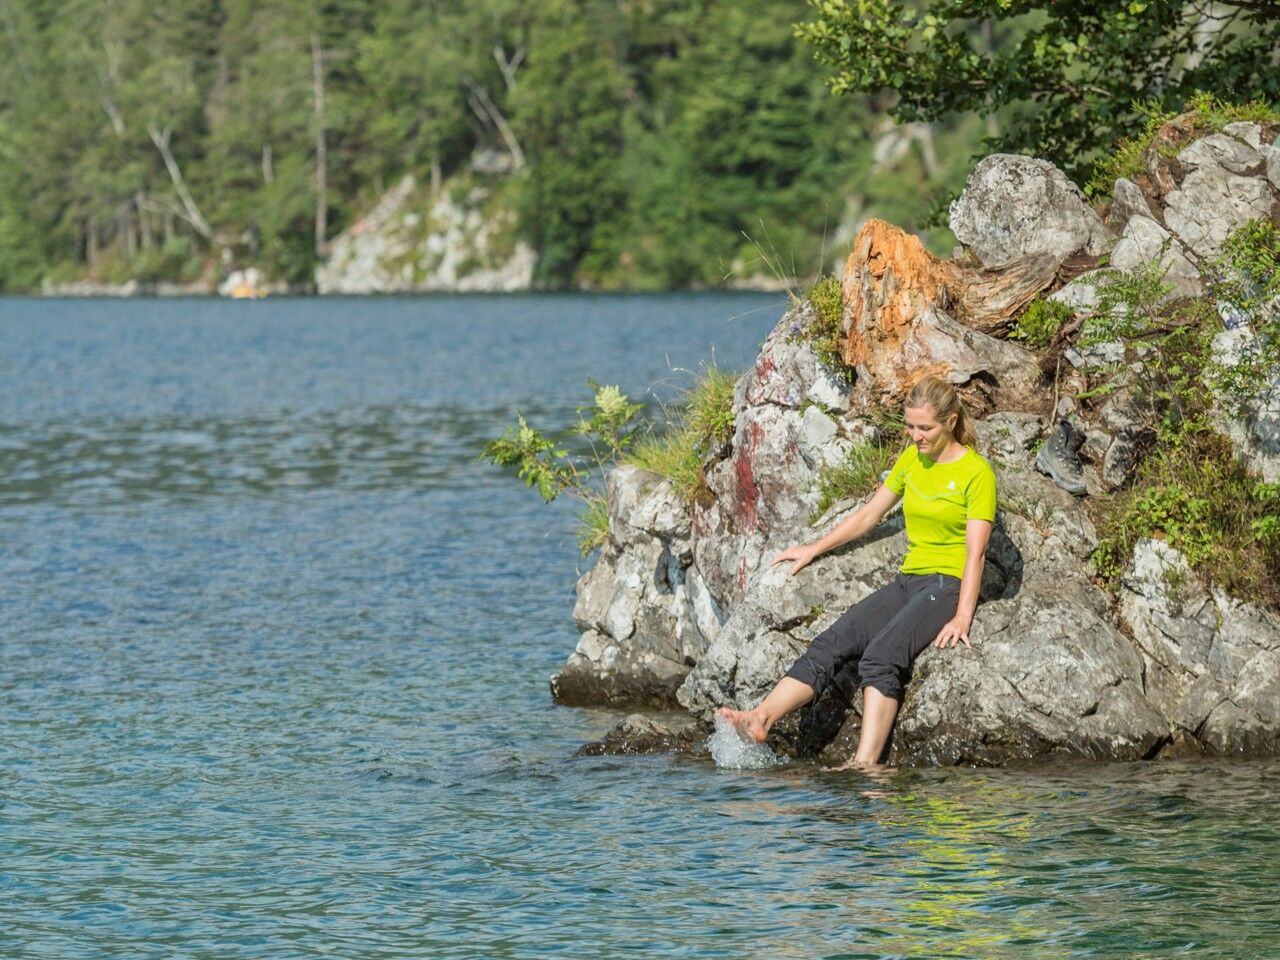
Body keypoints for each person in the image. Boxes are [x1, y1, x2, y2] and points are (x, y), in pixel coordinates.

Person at [717, 375, 996, 768]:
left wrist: (964, 615)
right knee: (833, 640)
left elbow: (976, 552)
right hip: (908, 581)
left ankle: (866, 763)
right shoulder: (911, 459)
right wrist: (814, 548)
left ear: (951, 422)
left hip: (947, 586)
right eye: (910, 426)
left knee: (881, 657)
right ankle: (760, 717)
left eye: (925, 428)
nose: (916, 435)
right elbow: (869, 514)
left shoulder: (976, 473)